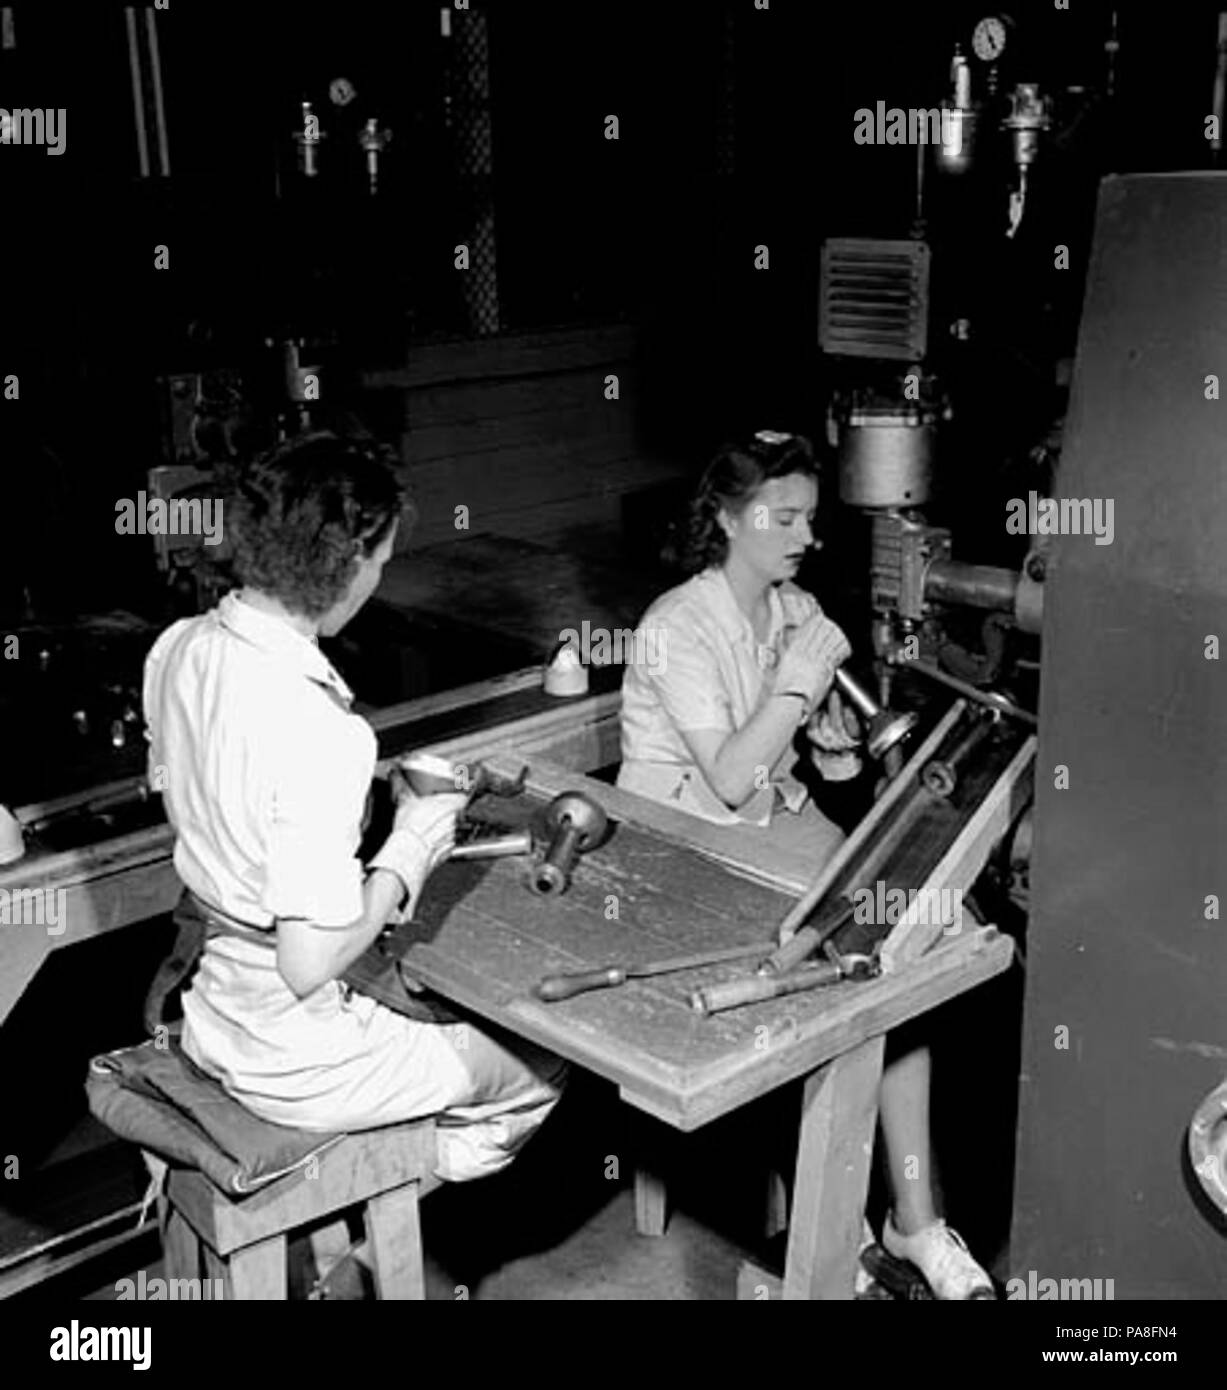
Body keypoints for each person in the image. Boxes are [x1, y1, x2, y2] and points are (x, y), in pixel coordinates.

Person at [618, 430, 994, 1299]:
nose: (803, 536)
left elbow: (807, 769)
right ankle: (835, 1237)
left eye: (810, 520)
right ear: (725, 517)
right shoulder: (677, 625)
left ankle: (915, 1224)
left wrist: (829, 746)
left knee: (923, 944)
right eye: (781, 517)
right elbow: (728, 776)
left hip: (767, 829)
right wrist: (793, 686)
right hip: (678, 848)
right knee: (850, 969)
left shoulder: (793, 611)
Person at [142, 432, 565, 1184]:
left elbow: (202, 790)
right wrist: (412, 845)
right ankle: (372, 1238)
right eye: (379, 559)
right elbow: (310, 964)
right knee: (541, 1059)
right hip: (294, 1061)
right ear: (344, 564)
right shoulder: (325, 735)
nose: (379, 576)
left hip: (209, 1012)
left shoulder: (177, 647)